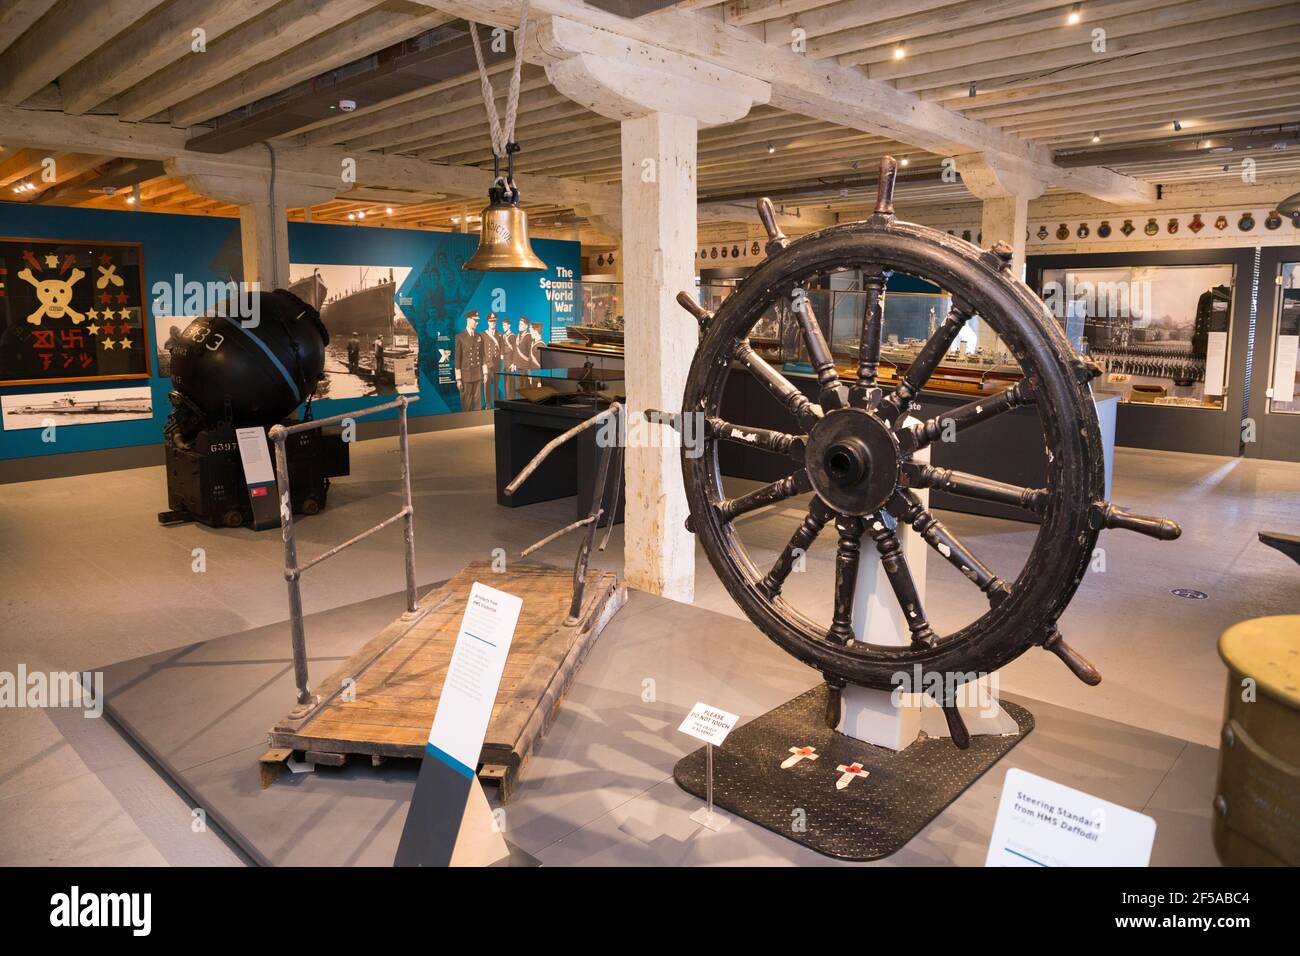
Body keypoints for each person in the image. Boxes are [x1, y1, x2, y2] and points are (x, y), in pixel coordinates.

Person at [453, 310, 486, 412]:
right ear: (468, 320)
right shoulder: (460, 337)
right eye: (475, 320)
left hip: (478, 375)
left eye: (477, 321)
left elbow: (482, 356)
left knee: (478, 403)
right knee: (466, 404)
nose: (477, 323)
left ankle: (479, 424)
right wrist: (458, 379)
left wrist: (485, 373)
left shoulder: (479, 336)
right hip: (466, 376)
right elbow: (457, 359)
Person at [481, 312, 503, 409]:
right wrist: (485, 364)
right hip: (488, 363)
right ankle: (488, 404)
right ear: (488, 322)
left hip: (497, 364)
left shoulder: (499, 334)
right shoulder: (483, 335)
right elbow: (482, 352)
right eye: (491, 321)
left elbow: (501, 348)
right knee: (487, 385)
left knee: (496, 384)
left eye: (494, 321)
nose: (493, 323)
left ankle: (496, 403)